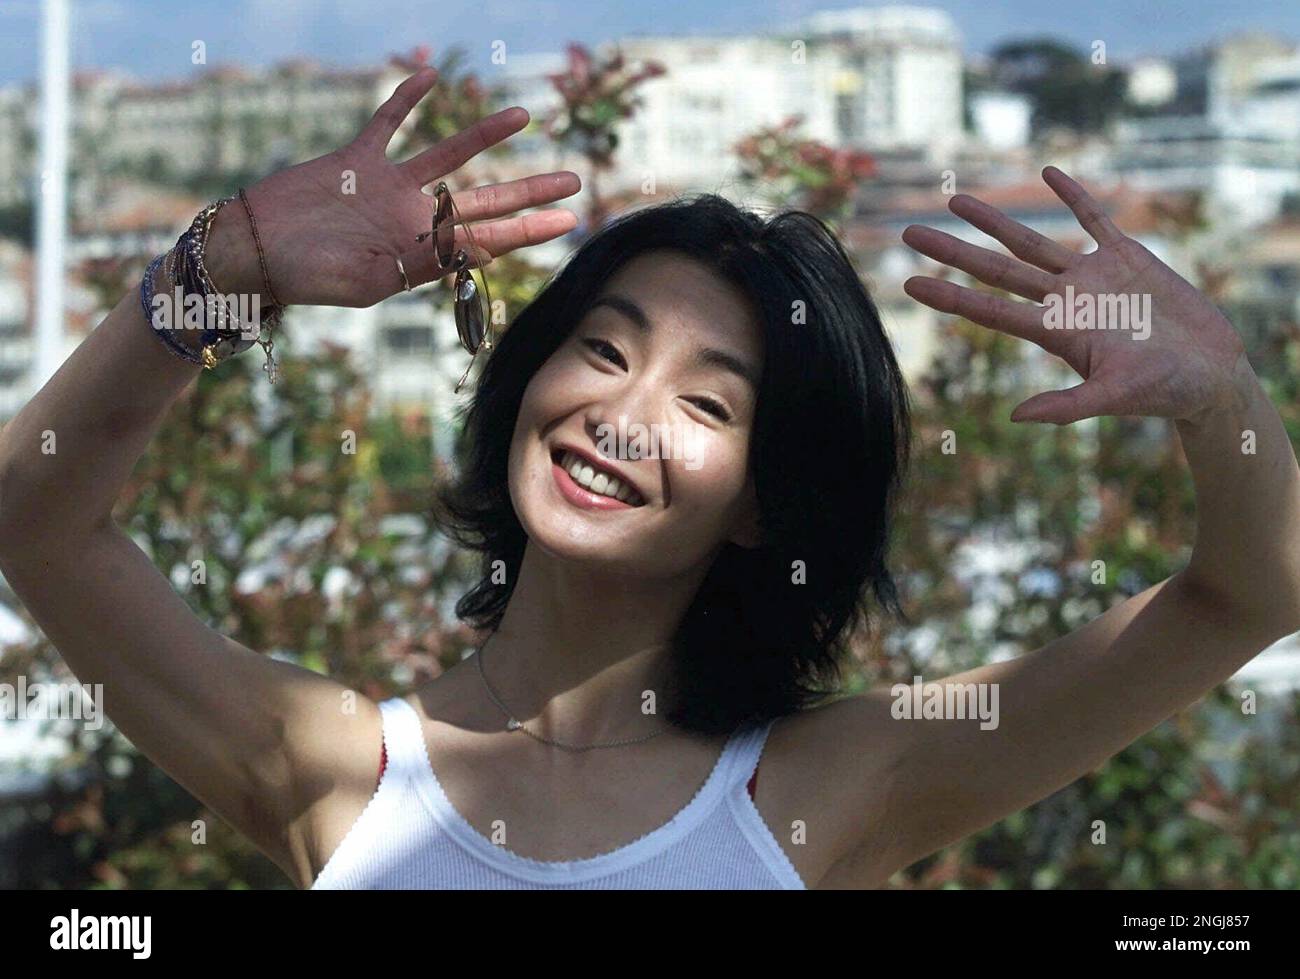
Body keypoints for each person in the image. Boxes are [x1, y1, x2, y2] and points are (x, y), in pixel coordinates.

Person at [0, 67, 1296, 890]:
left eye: (706, 401)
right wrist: (219, 270)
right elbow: (34, 527)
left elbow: (1251, 594)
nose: (621, 412)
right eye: (603, 349)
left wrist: (1221, 396)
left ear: (764, 505)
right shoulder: (333, 769)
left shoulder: (820, 789)